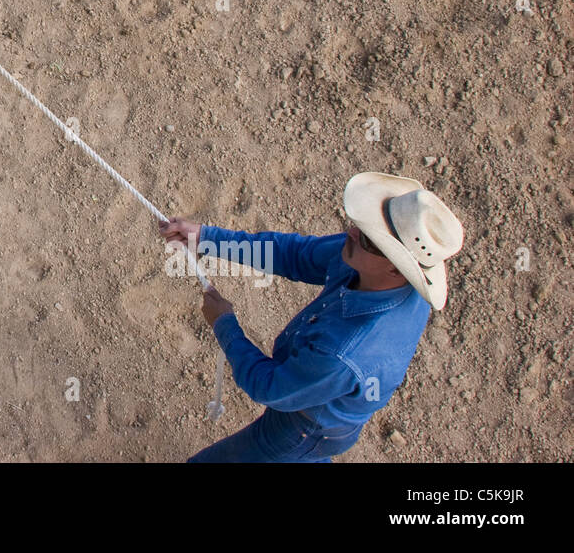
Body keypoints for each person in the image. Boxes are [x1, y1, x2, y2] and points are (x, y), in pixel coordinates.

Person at [162, 172, 464, 462]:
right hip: (323, 409)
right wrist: (207, 237)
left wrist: (224, 324)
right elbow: (295, 255)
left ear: (398, 268)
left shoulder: (343, 353)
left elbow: (268, 386)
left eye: (370, 238)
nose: (352, 233)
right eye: (362, 225)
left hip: (304, 429)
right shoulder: (363, 254)